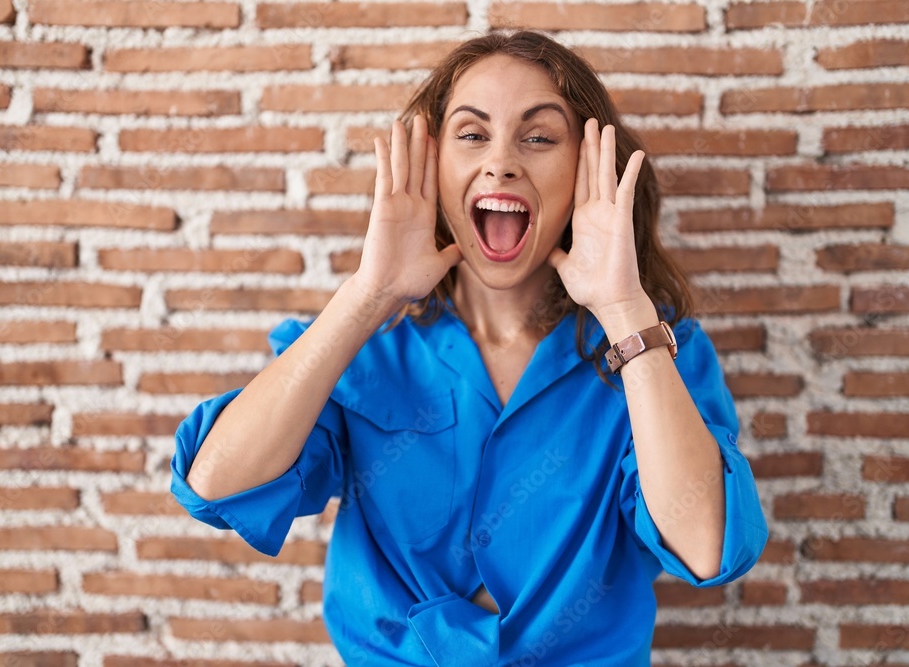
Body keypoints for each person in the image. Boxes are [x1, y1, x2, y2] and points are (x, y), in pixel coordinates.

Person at [170, 30, 768, 667]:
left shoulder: (655, 350)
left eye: (538, 138)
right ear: (434, 165)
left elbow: (708, 546)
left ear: (588, 171)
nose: (501, 162)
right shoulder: (370, 351)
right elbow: (217, 485)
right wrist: (369, 295)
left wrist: (623, 309)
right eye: (473, 134)